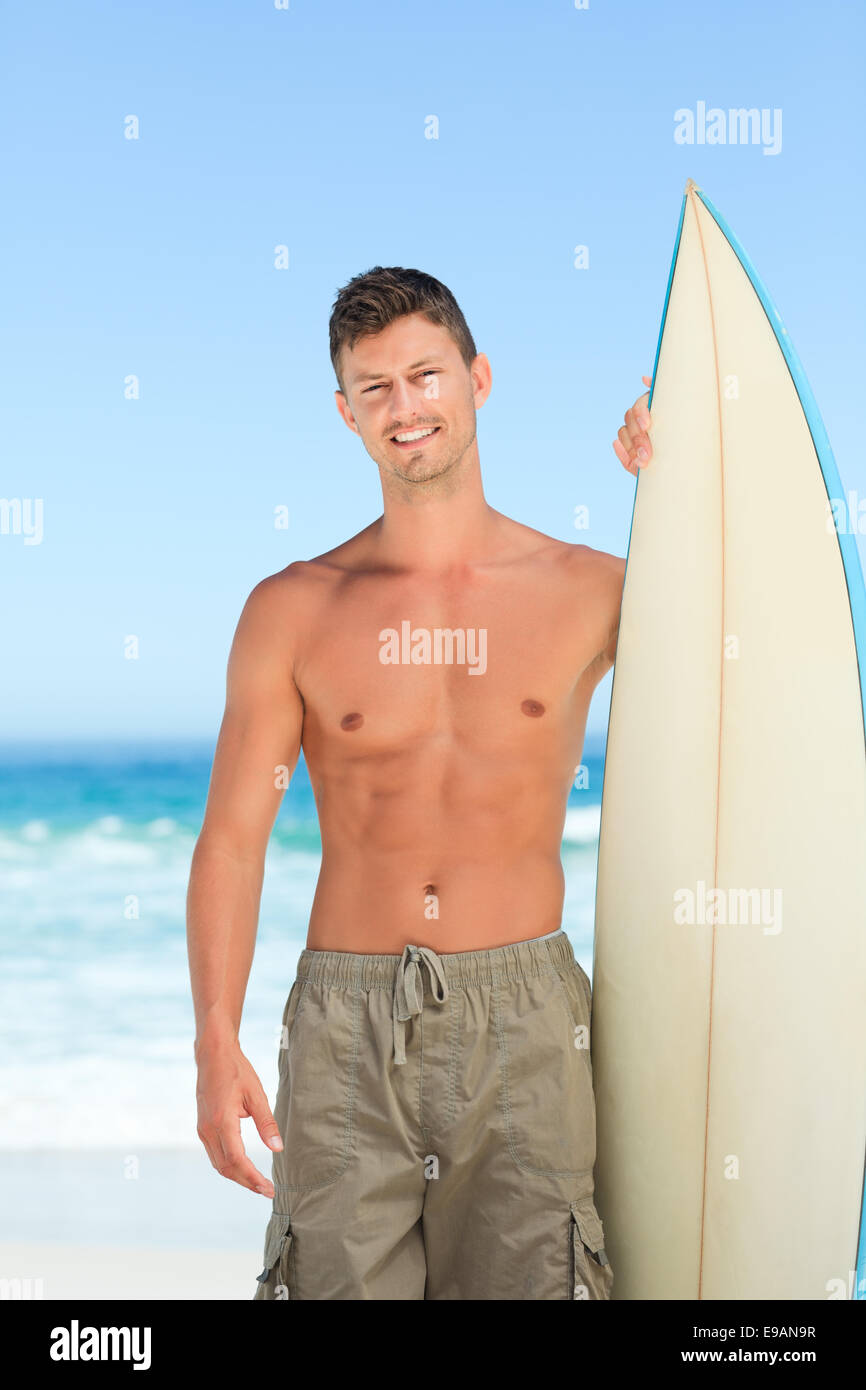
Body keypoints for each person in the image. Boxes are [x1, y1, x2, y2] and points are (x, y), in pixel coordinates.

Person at [186, 266, 654, 1300]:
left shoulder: (592, 590)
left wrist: (686, 469)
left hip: (526, 1020)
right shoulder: (293, 608)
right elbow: (231, 838)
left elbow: (747, 638)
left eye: (425, 374)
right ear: (345, 413)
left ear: (477, 379)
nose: (406, 407)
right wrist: (213, 1037)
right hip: (346, 1025)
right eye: (375, 387)